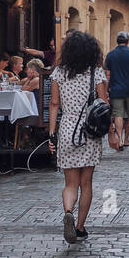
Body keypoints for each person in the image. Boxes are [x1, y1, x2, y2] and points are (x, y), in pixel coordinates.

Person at [48, 31, 110, 244]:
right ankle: (80, 226)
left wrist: (51, 133)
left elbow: (54, 104)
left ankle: (68, 211)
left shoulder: (58, 73)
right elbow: (104, 105)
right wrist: (112, 132)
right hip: (90, 131)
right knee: (87, 182)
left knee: (70, 183)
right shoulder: (97, 73)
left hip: (67, 129)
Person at [104, 30, 129, 150]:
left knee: (118, 114)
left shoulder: (110, 55)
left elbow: (108, 75)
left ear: (117, 41)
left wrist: (106, 90)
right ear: (127, 41)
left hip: (116, 90)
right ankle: (126, 139)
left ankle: (120, 140)